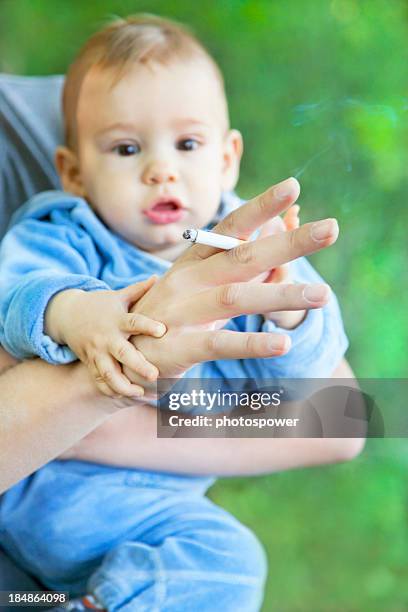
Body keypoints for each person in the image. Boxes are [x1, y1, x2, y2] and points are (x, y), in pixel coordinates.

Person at [0, 15, 363, 612]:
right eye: (126, 148)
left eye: (187, 145)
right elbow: (19, 295)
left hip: (155, 508)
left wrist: (288, 315)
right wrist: (78, 314)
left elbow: (332, 405)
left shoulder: (251, 247)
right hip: (44, 489)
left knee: (230, 558)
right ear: (72, 171)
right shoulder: (65, 229)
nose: (161, 169)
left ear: (227, 159)